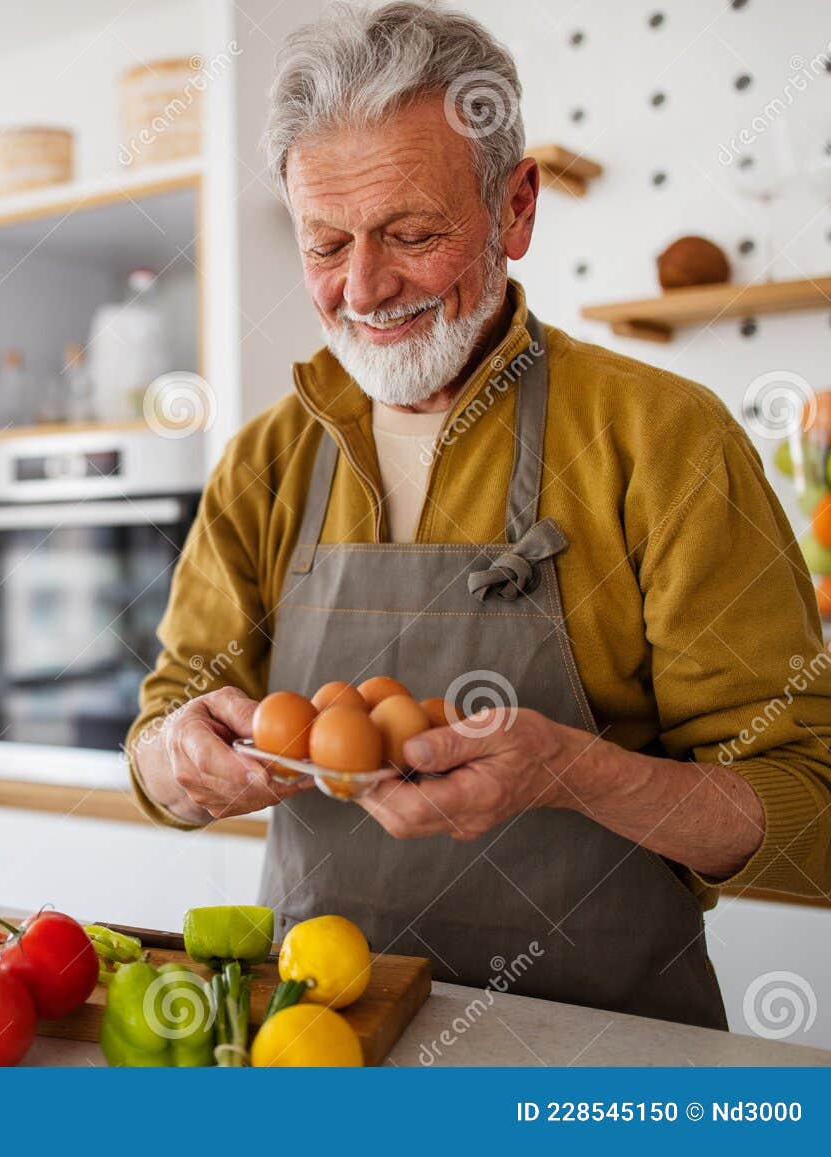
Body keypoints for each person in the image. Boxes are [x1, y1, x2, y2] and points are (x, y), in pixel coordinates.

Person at [127, 0, 831, 1028]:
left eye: (411, 233)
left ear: (515, 207)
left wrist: (569, 772)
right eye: (325, 243)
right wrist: (177, 758)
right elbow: (160, 732)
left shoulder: (662, 437)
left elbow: (806, 810)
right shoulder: (268, 459)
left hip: (605, 1060)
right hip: (321, 1046)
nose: (363, 287)